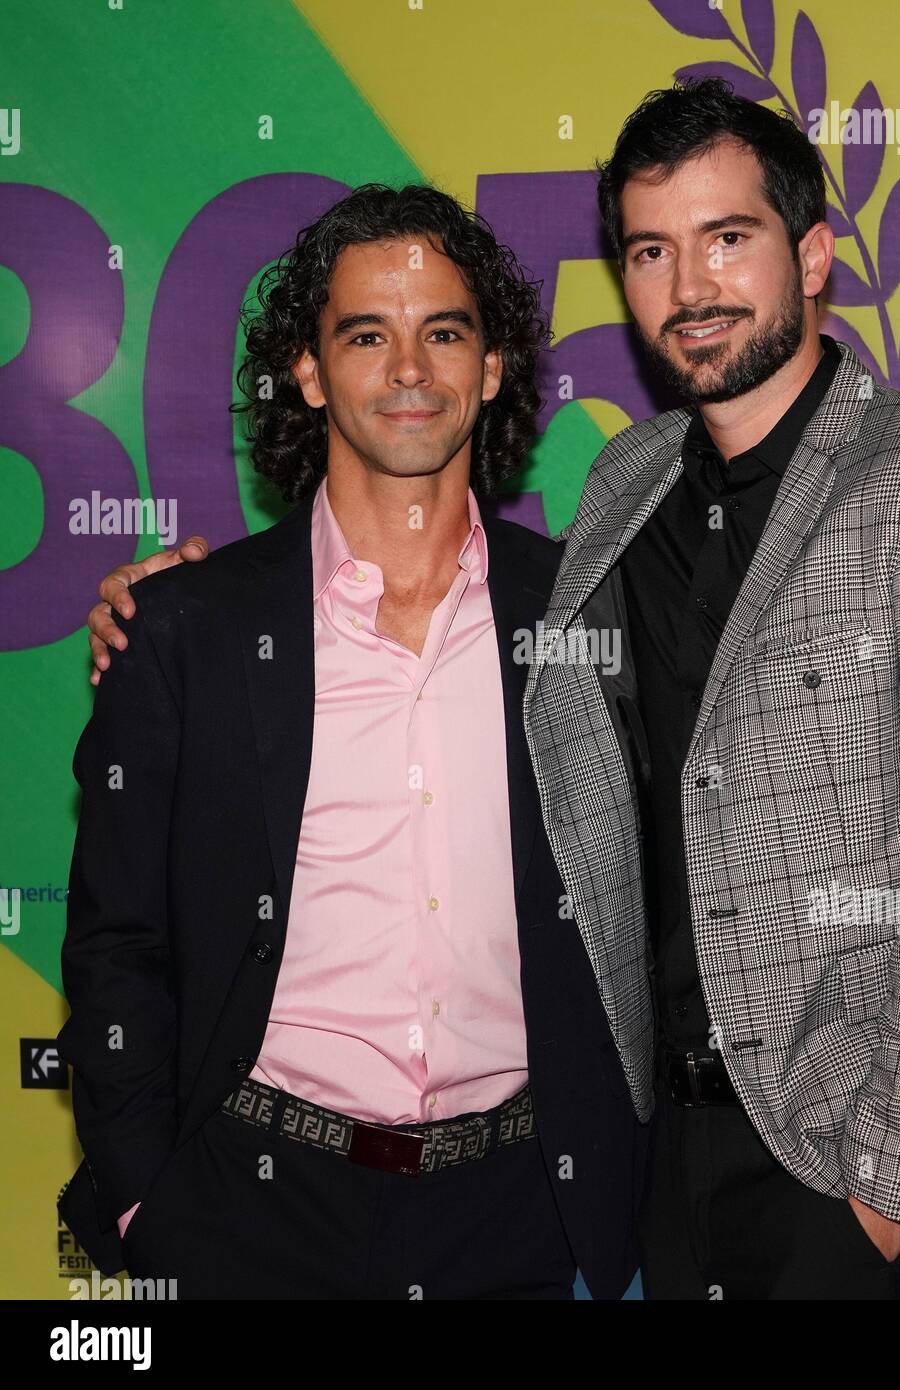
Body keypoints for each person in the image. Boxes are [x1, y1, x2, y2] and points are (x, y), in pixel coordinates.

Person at [520, 78, 900, 1298]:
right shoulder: (625, 484)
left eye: (729, 239)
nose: (690, 287)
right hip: (668, 1144)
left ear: (814, 253)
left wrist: (883, 1188)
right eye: (651, 252)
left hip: (846, 1164)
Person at [57, 182, 645, 1300]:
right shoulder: (188, 629)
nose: (411, 370)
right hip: (249, 1209)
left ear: (493, 368)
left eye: (446, 333)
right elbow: (117, 943)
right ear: (313, 372)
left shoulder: (589, 615)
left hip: (517, 1215)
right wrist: (147, 1201)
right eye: (367, 335)